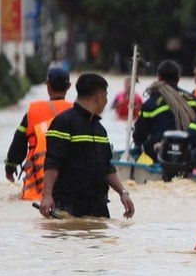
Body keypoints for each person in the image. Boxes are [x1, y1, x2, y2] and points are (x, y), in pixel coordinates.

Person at [39, 72, 134, 220]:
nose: (106, 101)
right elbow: (53, 163)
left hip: (99, 207)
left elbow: (107, 168)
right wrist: (47, 196)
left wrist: (123, 193)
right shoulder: (64, 123)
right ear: (99, 97)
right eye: (106, 96)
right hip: (69, 205)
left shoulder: (99, 129)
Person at [4, 66, 70, 201]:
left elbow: (18, 143)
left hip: (36, 182)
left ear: (48, 86)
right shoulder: (76, 112)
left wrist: (10, 167)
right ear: (68, 86)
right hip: (69, 182)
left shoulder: (32, 112)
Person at [132, 60, 196, 160]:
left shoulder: (150, 104)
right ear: (178, 77)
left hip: (158, 154)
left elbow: (139, 136)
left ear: (159, 77)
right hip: (188, 154)